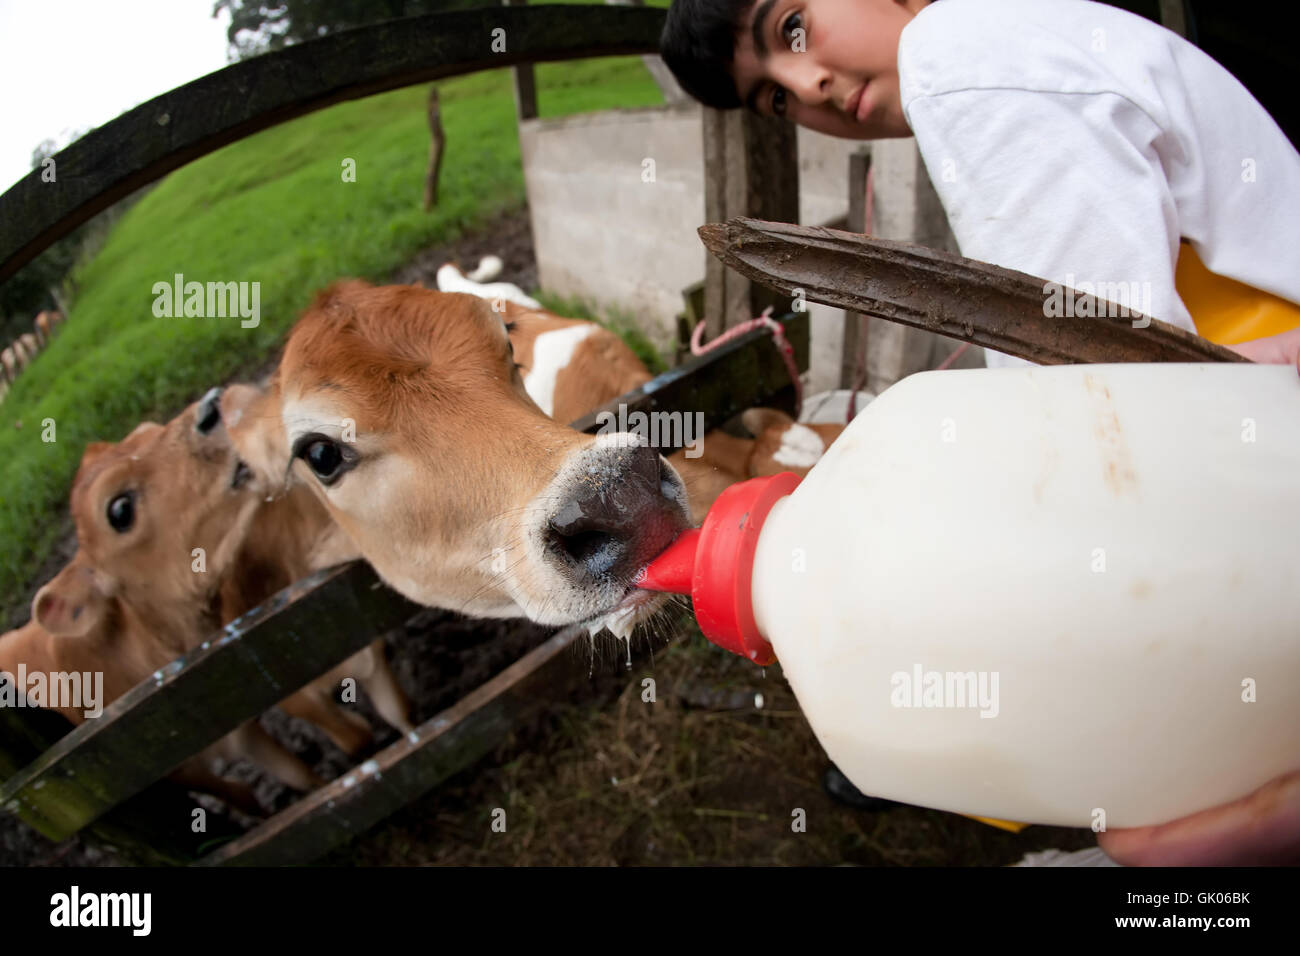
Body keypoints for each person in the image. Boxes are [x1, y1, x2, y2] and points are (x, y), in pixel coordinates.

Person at [660, 0, 1300, 864]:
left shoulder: (957, 59)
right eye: (775, 100)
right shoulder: (1007, 38)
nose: (806, 83)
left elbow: (1116, 434)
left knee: (1159, 848)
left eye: (792, 27)